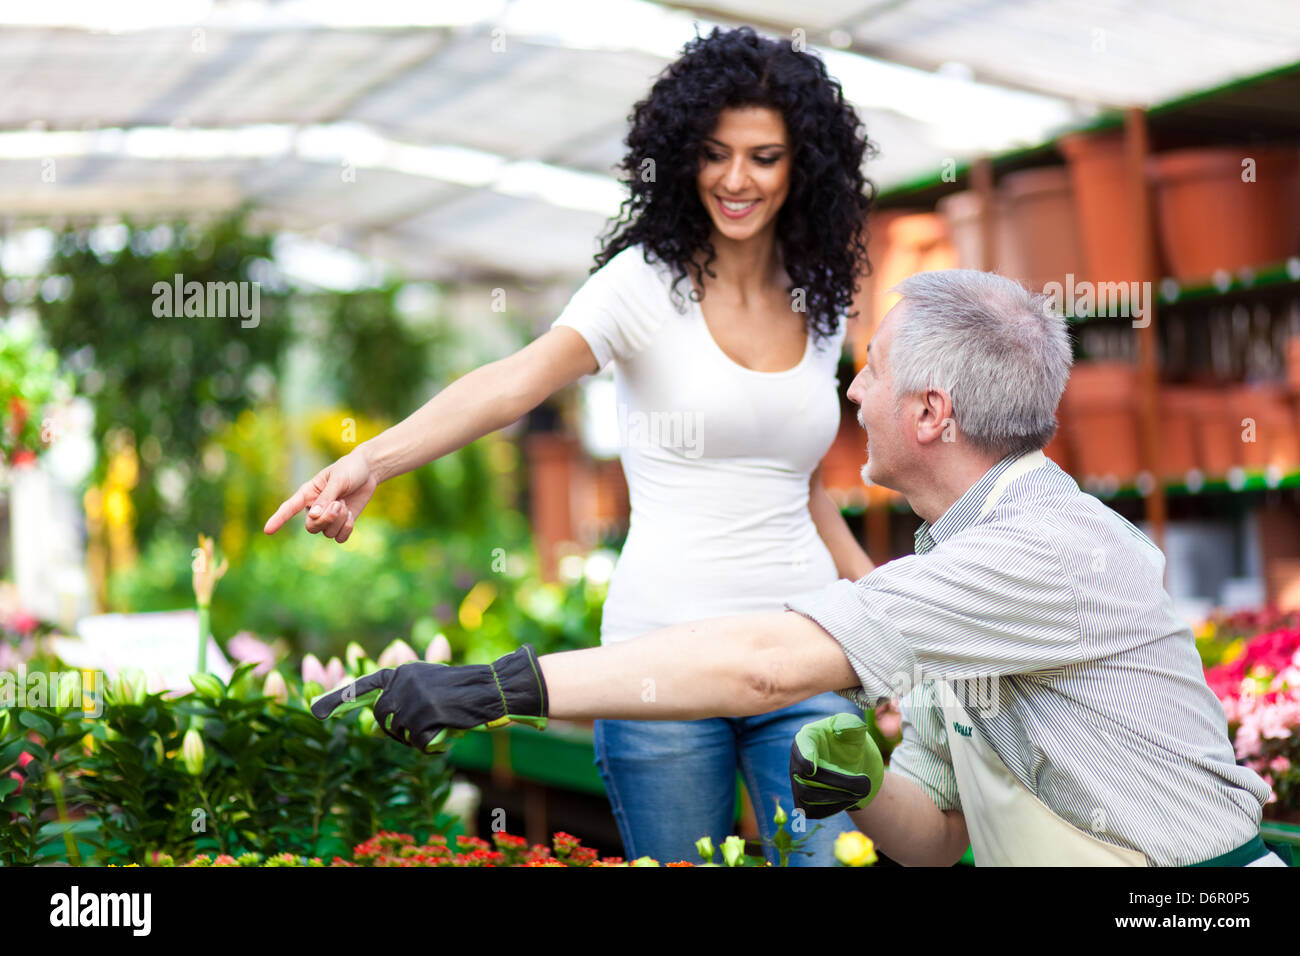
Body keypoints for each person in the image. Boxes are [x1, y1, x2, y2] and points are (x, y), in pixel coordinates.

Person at [314, 268, 1291, 867]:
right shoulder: (956, 560)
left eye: (870, 365)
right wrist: (860, 782)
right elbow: (934, 837)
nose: (849, 388)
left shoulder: (1042, 546)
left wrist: (496, 685)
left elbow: (766, 661)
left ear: (930, 413)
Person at [265, 25, 878, 866]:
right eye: (714, 152)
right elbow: (514, 383)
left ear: (804, 165)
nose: (737, 179)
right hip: (658, 667)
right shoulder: (642, 284)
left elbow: (799, 486)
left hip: (806, 662)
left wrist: (889, 615)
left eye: (764, 157)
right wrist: (372, 458)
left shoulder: (821, 300)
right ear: (681, 153)